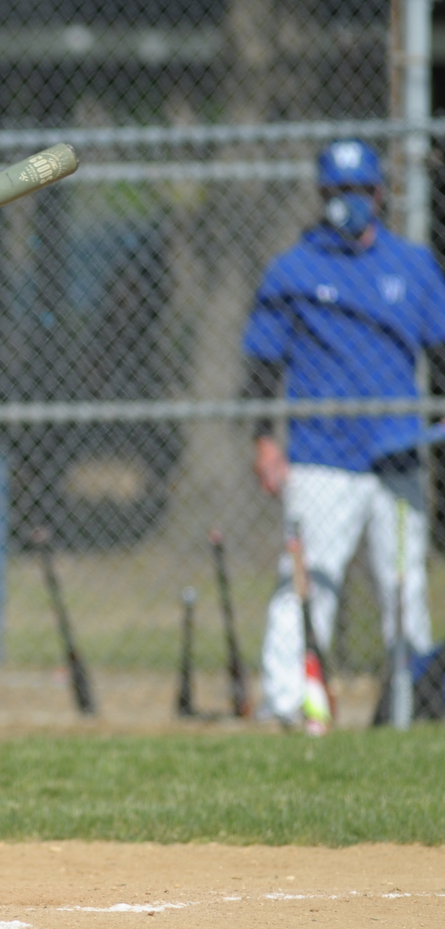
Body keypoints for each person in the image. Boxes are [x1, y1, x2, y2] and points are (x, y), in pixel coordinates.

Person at [242, 138, 445, 726]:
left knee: (404, 591)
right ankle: (287, 707)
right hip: (322, 455)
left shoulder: (412, 266)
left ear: (380, 194)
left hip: (398, 451)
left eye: (359, 190)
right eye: (336, 191)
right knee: (306, 586)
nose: (347, 202)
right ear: (319, 193)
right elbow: (261, 365)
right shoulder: (294, 269)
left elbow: (439, 346)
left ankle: (409, 708)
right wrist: (264, 441)